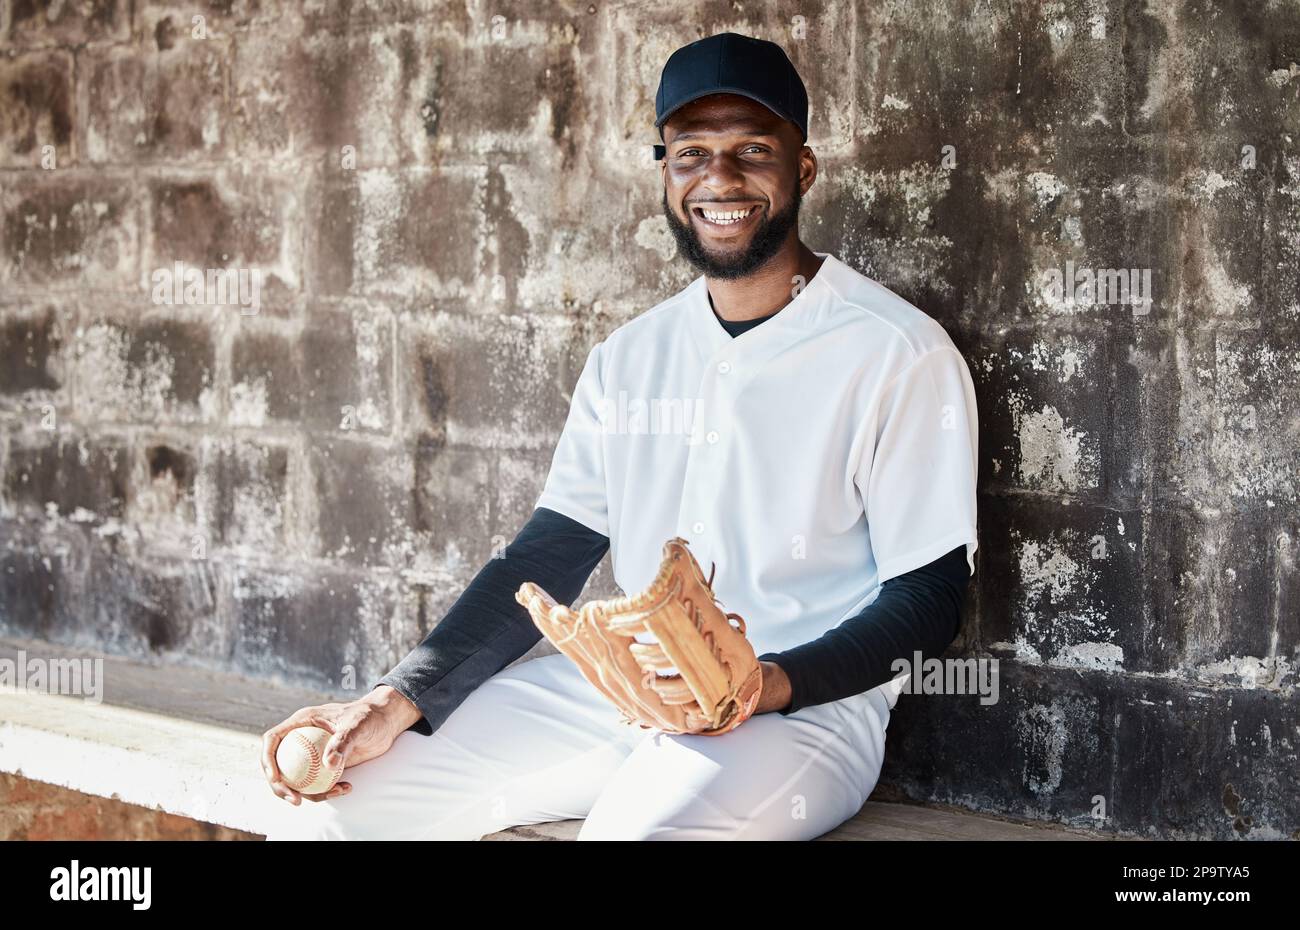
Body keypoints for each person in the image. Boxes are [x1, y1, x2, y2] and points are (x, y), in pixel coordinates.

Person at [261, 31, 979, 841]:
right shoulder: (630, 356)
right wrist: (398, 699)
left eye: (752, 149)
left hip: (795, 718)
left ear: (802, 169)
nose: (721, 179)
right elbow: (546, 557)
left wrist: (767, 684)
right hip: (619, 692)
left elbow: (928, 597)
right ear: (667, 174)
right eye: (691, 153)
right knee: (338, 813)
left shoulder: (896, 352)